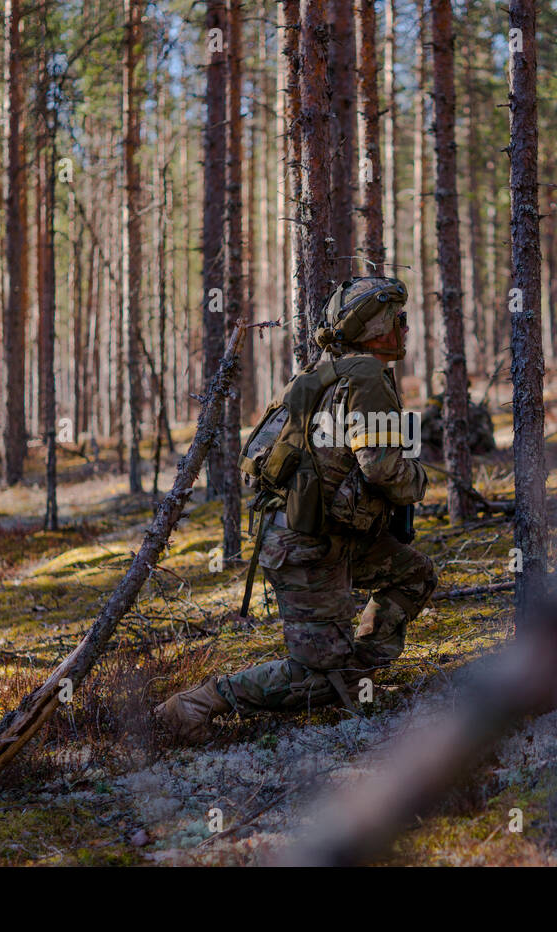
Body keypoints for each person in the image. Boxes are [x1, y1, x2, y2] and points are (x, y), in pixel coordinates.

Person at [155, 277, 437, 742]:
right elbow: (382, 468)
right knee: (311, 679)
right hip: (307, 547)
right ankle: (194, 706)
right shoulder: (366, 377)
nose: (405, 329)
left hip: (324, 536)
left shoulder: (323, 372)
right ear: (376, 327)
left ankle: (353, 671)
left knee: (414, 575)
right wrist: (419, 480)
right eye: (399, 320)